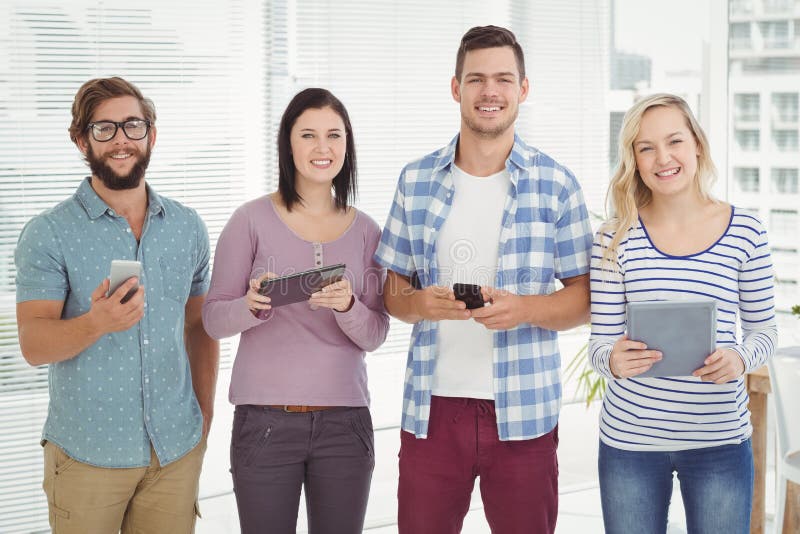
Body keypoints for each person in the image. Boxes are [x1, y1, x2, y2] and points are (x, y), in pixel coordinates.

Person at [374, 25, 593, 534]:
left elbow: (583, 298)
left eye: (502, 79)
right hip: (433, 410)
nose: (489, 91)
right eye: (476, 79)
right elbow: (391, 290)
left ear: (523, 89)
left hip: (526, 411)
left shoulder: (557, 184)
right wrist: (420, 304)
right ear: (456, 88)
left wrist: (524, 310)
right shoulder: (416, 179)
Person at [14, 76, 219, 533]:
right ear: (81, 139)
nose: (121, 140)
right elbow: (33, 344)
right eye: (104, 129)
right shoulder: (48, 233)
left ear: (152, 133)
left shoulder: (188, 227)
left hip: (175, 452)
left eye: (133, 125)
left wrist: (204, 418)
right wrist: (95, 323)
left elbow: (199, 327)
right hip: (88, 457)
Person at [202, 87, 389, 534]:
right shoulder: (248, 220)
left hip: (346, 424)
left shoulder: (367, 231)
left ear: (348, 145)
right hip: (264, 423)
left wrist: (346, 305)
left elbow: (377, 332)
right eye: (308, 135)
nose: (322, 148)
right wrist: (253, 306)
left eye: (334, 135)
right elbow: (212, 318)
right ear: (288, 143)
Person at [588, 93, 778, 534]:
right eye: (645, 147)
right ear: (633, 159)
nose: (663, 158)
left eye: (674, 141)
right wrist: (613, 359)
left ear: (697, 144)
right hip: (629, 443)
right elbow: (600, 343)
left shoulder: (745, 232)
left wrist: (742, 359)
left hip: (719, 441)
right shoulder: (613, 237)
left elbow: (764, 330)